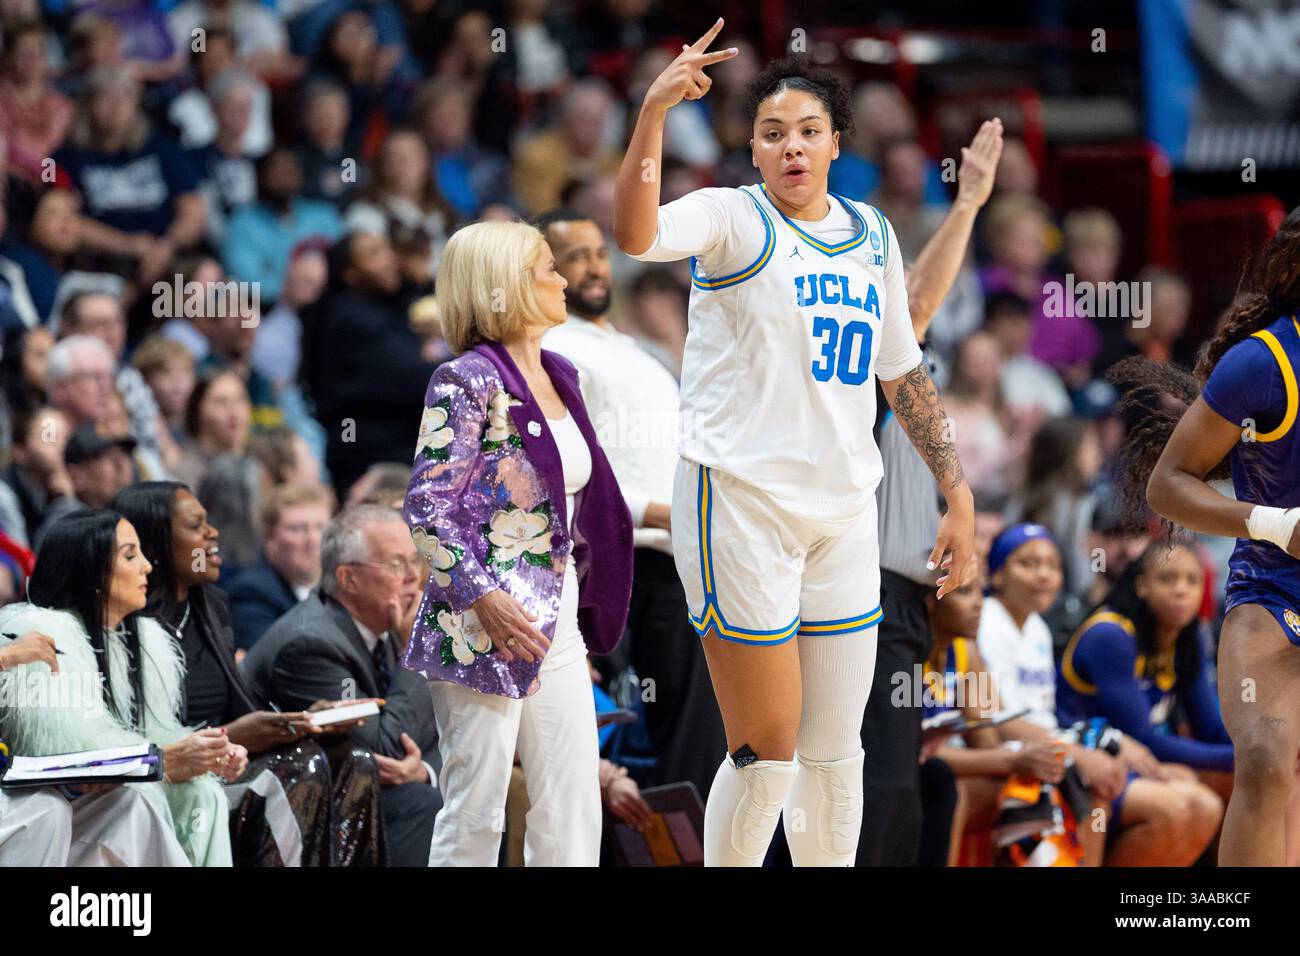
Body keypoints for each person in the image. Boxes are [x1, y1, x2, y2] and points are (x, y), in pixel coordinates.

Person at [614, 28, 975, 866]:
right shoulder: (731, 216)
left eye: (808, 130)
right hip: (738, 503)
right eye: (773, 133)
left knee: (835, 757)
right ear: (754, 148)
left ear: (836, 143)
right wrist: (654, 113)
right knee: (768, 756)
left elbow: (903, 372)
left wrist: (954, 491)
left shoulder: (873, 233)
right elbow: (634, 235)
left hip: (843, 511)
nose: (791, 146)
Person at [401, 219, 633, 866]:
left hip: (555, 625)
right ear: (504, 286)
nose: (562, 279)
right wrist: (485, 601)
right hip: (481, 625)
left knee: (571, 809)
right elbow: (426, 508)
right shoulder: (466, 379)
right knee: (477, 816)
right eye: (547, 269)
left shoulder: (562, 373)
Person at [1112, 209, 1300, 864]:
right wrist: (1276, 523)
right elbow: (1168, 485)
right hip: (1276, 593)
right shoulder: (1265, 360)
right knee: (1270, 760)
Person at [538, 207, 725, 801]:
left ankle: (688, 846)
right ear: (542, 271)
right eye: (574, 257)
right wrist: (659, 512)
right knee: (626, 732)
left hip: (675, 553)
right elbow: (577, 459)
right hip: (615, 559)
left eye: (599, 253)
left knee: (694, 726)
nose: (594, 267)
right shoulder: (552, 347)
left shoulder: (628, 348)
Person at [858, 118, 1004, 866]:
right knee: (878, 790)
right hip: (864, 599)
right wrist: (969, 205)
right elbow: (913, 302)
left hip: (907, 609)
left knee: (894, 790)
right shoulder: (869, 361)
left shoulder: (917, 376)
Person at [113, 481, 384, 866]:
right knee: (299, 768)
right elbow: (139, 737)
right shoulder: (126, 623)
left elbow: (239, 708)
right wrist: (232, 737)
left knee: (353, 757)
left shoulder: (212, 607)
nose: (213, 534)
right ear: (153, 544)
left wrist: (304, 718)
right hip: (181, 776)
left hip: (231, 758)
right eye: (195, 527)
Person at [0, 509, 246, 865]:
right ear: (92, 569)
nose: (147, 567)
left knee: (202, 795)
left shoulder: (145, 641)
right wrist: (168, 759)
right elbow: (66, 753)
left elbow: (158, 733)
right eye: (130, 555)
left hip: (94, 801)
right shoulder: (41, 634)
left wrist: (206, 755)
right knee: (130, 800)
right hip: (61, 799)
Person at [242, 504, 442, 867]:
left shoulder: (384, 624)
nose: (414, 576)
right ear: (349, 579)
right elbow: (386, 751)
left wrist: (425, 770)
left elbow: (435, 734)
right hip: (299, 805)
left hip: (357, 789)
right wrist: (416, 647)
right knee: (425, 803)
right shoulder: (309, 643)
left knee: (474, 796)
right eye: (397, 565)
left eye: (415, 562)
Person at [226, 483, 330, 651]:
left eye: (321, 527)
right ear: (269, 538)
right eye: (297, 529)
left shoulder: (337, 587)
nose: (313, 539)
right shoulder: (251, 592)